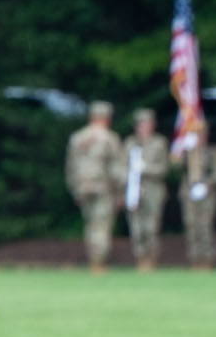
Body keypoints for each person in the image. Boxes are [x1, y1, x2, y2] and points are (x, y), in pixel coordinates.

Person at [66, 101, 120, 270]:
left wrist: (74, 189)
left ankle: (93, 259)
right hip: (103, 187)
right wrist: (119, 192)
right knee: (101, 225)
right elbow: (116, 168)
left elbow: (70, 167)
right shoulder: (110, 138)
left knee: (90, 224)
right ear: (107, 118)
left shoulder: (77, 137)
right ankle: (98, 261)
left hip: (82, 187)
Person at [121, 108, 167, 270]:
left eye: (146, 123)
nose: (143, 127)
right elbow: (122, 167)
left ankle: (151, 259)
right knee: (136, 227)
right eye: (140, 124)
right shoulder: (129, 143)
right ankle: (140, 259)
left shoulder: (159, 142)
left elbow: (163, 168)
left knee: (151, 227)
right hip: (133, 189)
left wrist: (145, 168)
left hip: (153, 189)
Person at [180, 123, 216, 268]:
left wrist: (207, 184)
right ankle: (194, 258)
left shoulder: (213, 152)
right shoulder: (188, 152)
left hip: (208, 194)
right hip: (190, 193)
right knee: (191, 225)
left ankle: (207, 259)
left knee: (205, 226)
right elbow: (175, 164)